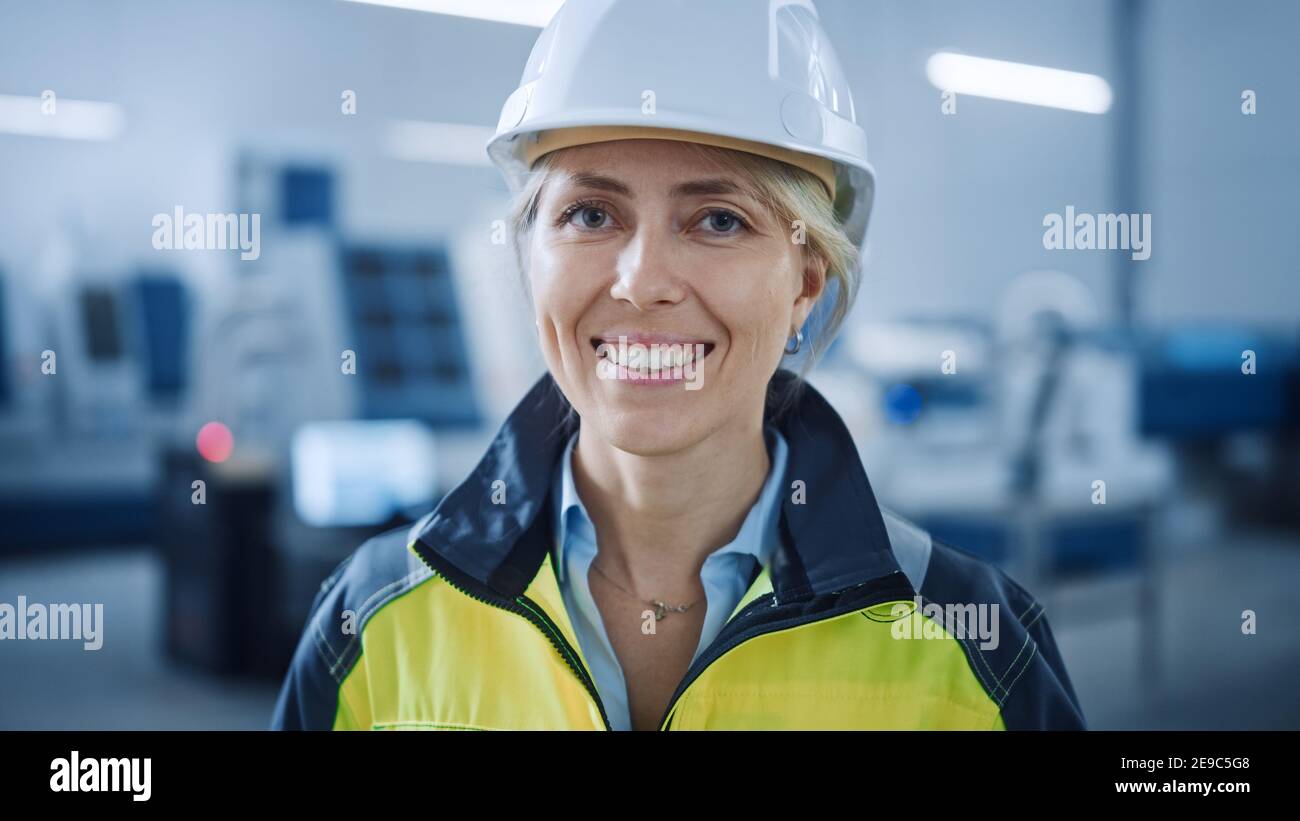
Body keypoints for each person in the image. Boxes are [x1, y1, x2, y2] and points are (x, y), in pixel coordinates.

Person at [272, 0, 1085, 730]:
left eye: (719, 221)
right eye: (591, 213)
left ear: (806, 281)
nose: (642, 282)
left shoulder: (970, 642)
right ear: (529, 260)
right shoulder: (375, 621)